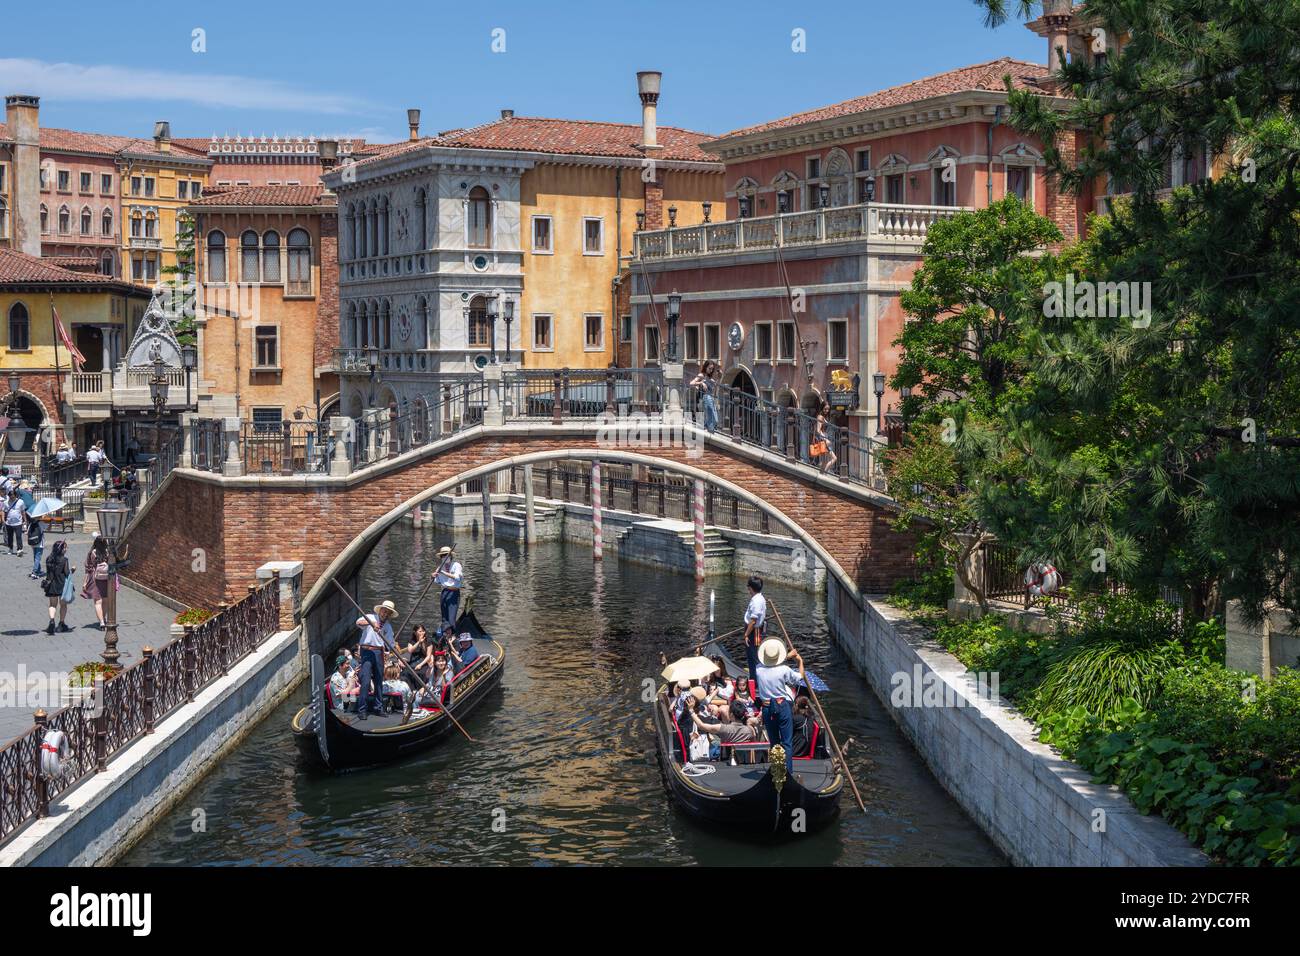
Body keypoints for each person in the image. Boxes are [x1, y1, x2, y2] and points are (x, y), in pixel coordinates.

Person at [754, 638, 806, 775]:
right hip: (782, 706)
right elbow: (799, 677)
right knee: (786, 743)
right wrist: (800, 661)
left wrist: (786, 657)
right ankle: (788, 773)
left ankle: (776, 772)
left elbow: (770, 666)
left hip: (766, 708)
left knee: (774, 743)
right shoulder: (784, 669)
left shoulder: (758, 669)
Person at [353, 599, 398, 720]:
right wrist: (371, 624)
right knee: (366, 680)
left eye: (388, 613)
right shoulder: (370, 617)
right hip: (367, 651)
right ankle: (362, 709)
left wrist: (390, 651)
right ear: (380, 610)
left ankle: (378, 708)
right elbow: (358, 622)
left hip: (379, 652)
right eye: (384, 611)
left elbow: (390, 643)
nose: (385, 614)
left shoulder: (387, 626)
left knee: (378, 680)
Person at [686, 696, 757, 761]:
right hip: (744, 761)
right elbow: (753, 745)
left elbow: (701, 726)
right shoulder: (750, 730)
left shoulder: (724, 728)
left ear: (731, 715)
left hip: (727, 761)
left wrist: (691, 710)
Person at [42, 539, 74, 635]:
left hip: (51, 584)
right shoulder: (64, 560)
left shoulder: (49, 558)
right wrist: (73, 569)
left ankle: (52, 620)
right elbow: (67, 573)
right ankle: (61, 623)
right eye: (65, 547)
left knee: (52, 604)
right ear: (61, 549)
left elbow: (48, 572)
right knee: (63, 604)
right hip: (62, 584)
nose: (66, 549)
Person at [742, 575, 767, 686]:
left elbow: (753, 621)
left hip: (753, 632)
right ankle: (753, 680)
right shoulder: (758, 598)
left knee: (754, 658)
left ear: (751, 588)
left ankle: (756, 683)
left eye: (748, 587)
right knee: (751, 657)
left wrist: (746, 634)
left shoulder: (757, 601)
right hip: (753, 630)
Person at [432, 545, 464, 628]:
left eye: (446, 555)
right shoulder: (440, 567)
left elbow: (457, 578)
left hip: (454, 592)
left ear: (450, 556)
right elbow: (437, 581)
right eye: (443, 556)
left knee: (451, 618)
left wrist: (443, 572)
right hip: (444, 592)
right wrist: (432, 576)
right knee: (444, 618)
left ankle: (452, 635)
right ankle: (444, 634)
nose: (445, 557)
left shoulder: (456, 565)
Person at [82, 537, 111, 628]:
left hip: (95, 579)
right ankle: (104, 618)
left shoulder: (92, 553)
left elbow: (88, 569)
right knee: (105, 600)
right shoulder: (107, 552)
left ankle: (101, 622)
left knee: (98, 602)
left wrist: (85, 582)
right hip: (106, 579)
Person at [690, 359, 720, 433]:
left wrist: (719, 377)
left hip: (711, 398)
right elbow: (691, 383)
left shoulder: (710, 378)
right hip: (706, 397)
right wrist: (701, 383)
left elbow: (714, 387)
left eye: (712, 369)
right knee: (710, 418)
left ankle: (707, 428)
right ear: (705, 367)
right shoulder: (701, 375)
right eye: (709, 368)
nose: (711, 370)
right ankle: (709, 430)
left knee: (715, 419)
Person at [813, 401, 838, 474]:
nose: (827, 411)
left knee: (824, 461)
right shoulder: (820, 417)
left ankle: (821, 474)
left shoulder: (823, 416)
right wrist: (826, 439)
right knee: (834, 458)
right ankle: (824, 474)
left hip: (823, 439)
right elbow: (818, 430)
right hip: (823, 440)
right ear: (822, 408)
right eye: (825, 409)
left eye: (828, 409)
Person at [3, 488, 26, 556]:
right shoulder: (5, 502)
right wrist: (3, 519)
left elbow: (23, 511)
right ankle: (10, 548)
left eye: (13, 496)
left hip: (18, 522)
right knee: (10, 537)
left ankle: (19, 549)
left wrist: (25, 520)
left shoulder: (21, 502)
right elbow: (4, 511)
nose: (11, 498)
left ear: (15, 496)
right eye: (10, 496)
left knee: (18, 536)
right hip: (9, 523)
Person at [27, 513, 46, 579]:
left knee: (35, 557)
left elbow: (27, 532)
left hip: (33, 543)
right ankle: (34, 572)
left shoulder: (31, 523)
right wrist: (49, 522)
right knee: (38, 558)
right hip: (40, 543)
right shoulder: (41, 523)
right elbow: (48, 528)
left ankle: (38, 570)